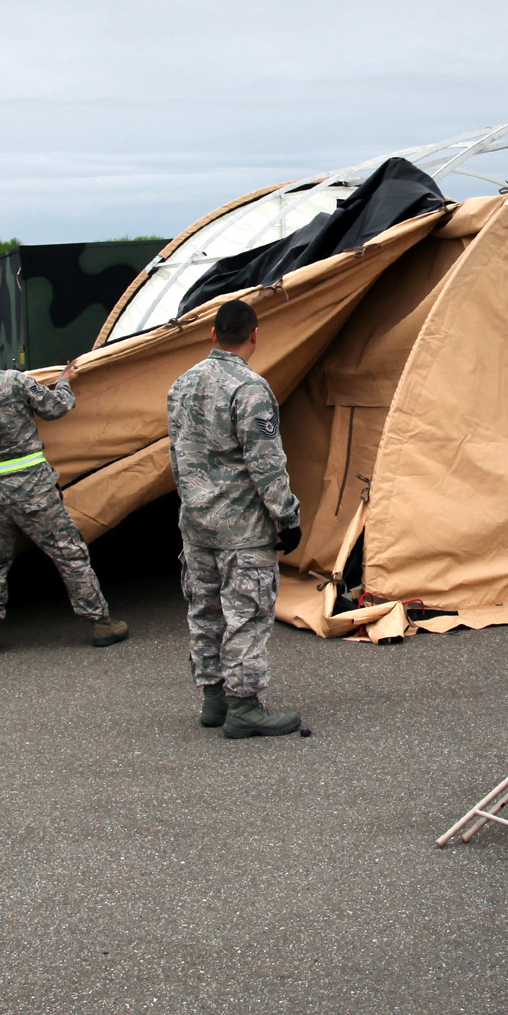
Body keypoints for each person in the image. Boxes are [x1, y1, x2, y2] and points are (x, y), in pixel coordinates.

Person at [0, 332, 127, 655]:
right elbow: (56, 407)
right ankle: (101, 622)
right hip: (33, 486)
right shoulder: (13, 381)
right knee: (68, 551)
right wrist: (65, 380)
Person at [165, 298, 304, 739]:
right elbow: (266, 463)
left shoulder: (181, 385)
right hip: (241, 529)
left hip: (197, 523)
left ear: (212, 334)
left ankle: (214, 700)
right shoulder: (250, 389)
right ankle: (243, 707)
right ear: (255, 335)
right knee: (246, 614)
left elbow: (177, 455)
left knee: (206, 612)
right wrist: (287, 516)